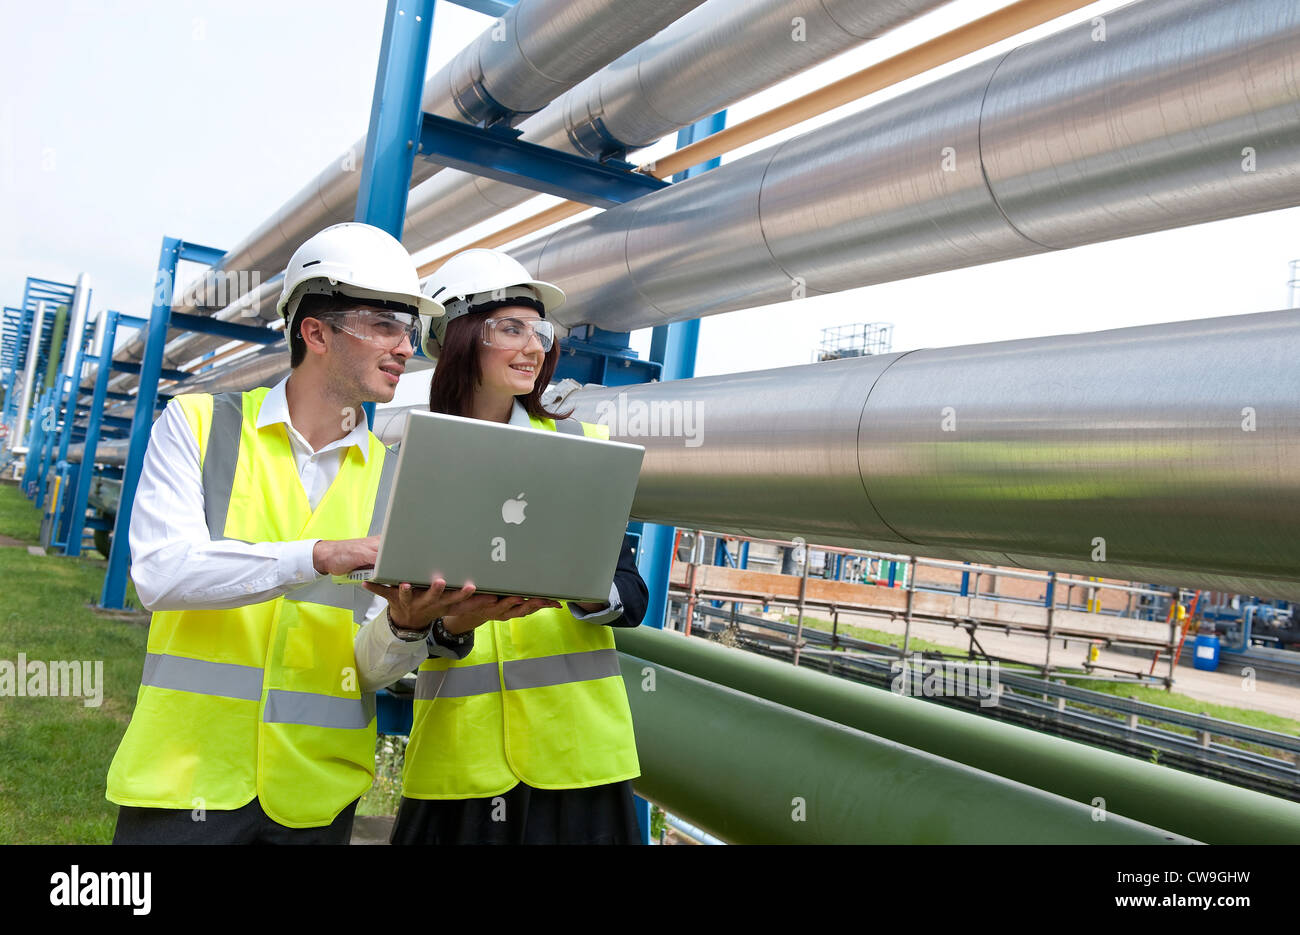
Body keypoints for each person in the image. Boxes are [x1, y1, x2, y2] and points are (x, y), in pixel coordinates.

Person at [105, 223, 509, 845]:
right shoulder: (198, 424)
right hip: (185, 781)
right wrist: (319, 555)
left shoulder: (396, 476)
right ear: (314, 332)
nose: (406, 347)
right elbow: (161, 574)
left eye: (409, 329)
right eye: (384, 324)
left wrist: (406, 627)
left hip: (314, 802)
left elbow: (368, 669)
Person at [386, 247, 648, 845]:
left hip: (578, 757)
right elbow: (388, 621)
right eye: (511, 328)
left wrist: (578, 583)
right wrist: (451, 626)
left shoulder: (583, 447)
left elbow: (631, 596)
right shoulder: (404, 458)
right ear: (459, 337)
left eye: (541, 331)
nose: (535, 347)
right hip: (460, 765)